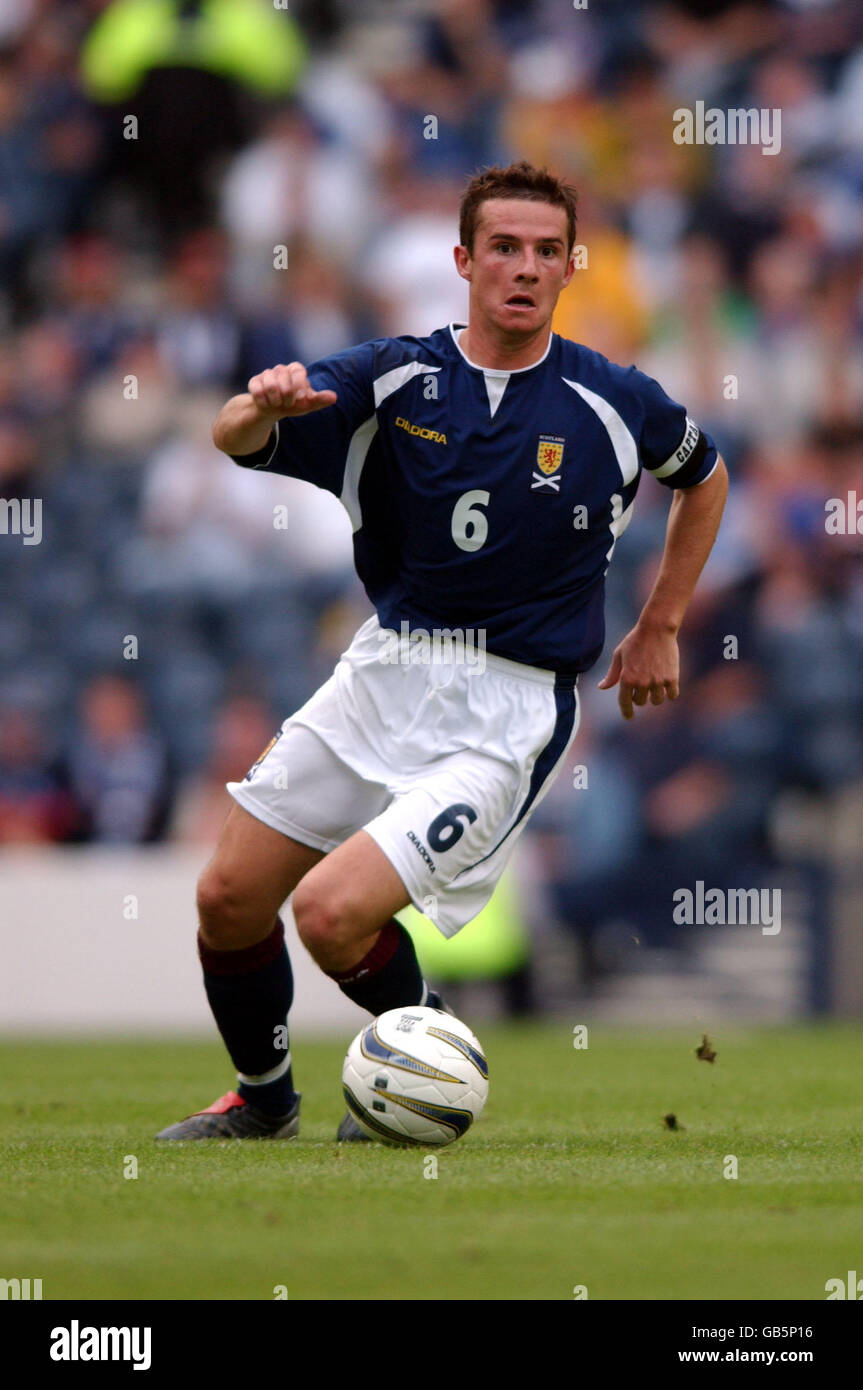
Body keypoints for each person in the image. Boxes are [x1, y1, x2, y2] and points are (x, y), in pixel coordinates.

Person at [156, 161, 727, 1142]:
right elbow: (232, 436)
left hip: (505, 709)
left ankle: (433, 1061)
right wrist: (262, 403)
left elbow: (704, 475)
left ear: (568, 267)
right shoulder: (394, 375)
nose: (524, 268)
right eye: (502, 247)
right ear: (462, 260)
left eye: (546, 251)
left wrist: (663, 619)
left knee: (332, 916)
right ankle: (263, 1098)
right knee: (227, 898)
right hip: (384, 672)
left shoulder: (610, 401)